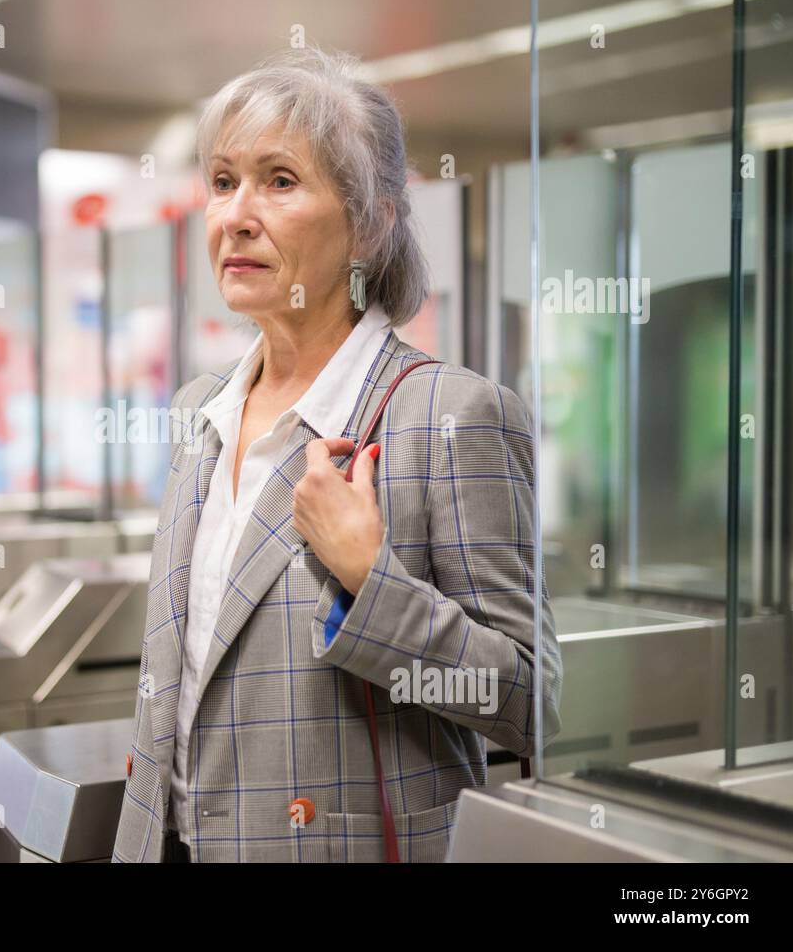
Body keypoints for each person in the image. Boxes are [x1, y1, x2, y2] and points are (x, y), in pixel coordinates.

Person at [112, 45, 562, 863]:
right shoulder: (198, 412)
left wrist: (371, 580)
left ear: (372, 221)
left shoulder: (452, 416)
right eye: (222, 181)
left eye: (280, 181)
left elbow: (529, 703)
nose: (236, 215)